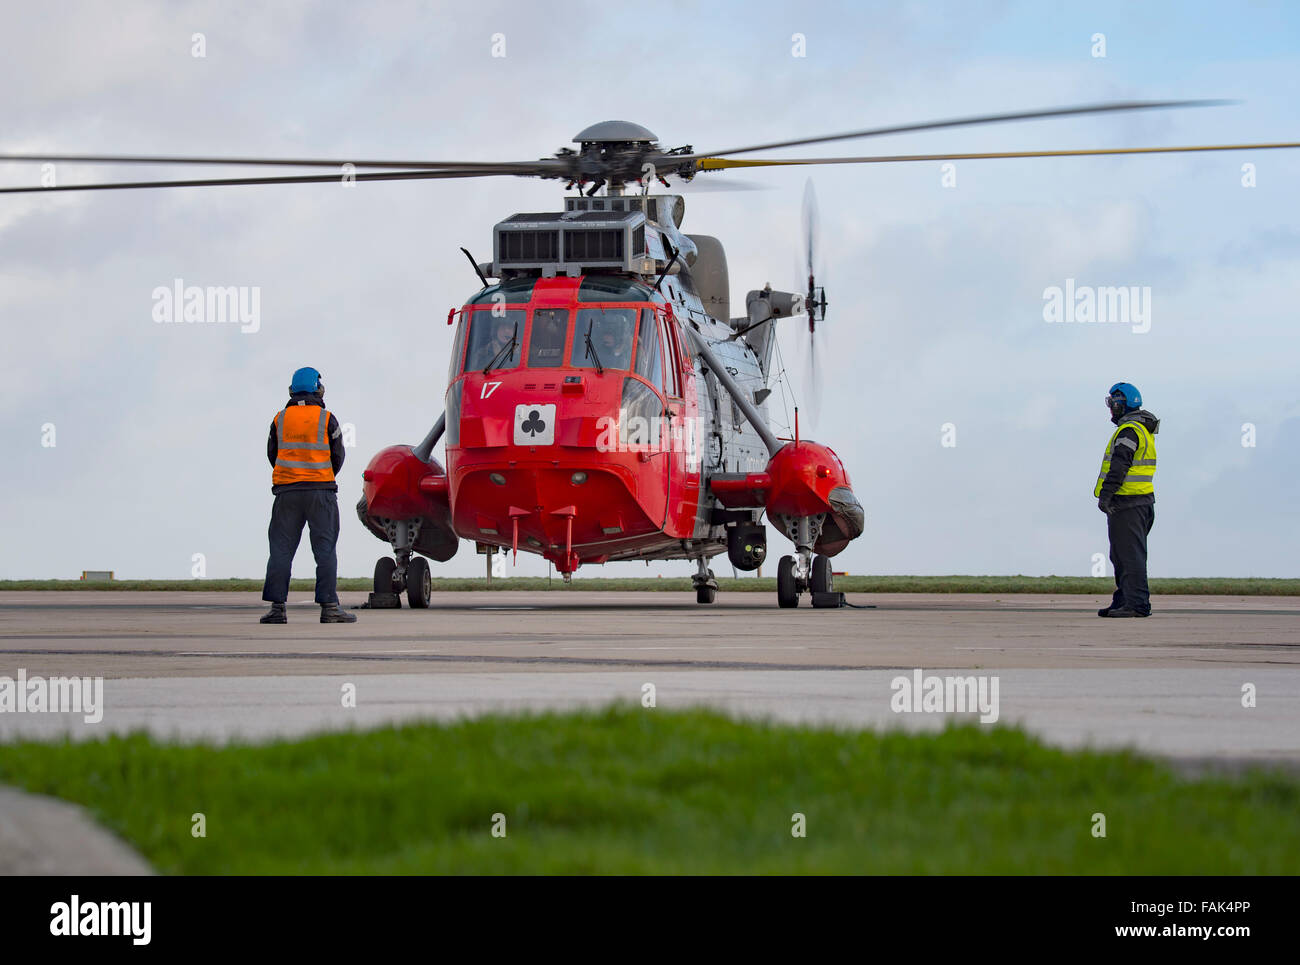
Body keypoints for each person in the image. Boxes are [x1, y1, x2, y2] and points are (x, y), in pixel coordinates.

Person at [260, 367, 356, 624]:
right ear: (319, 389)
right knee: (325, 549)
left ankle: (277, 609)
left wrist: (292, 475)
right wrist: (321, 475)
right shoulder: (327, 418)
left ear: (291, 391)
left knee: (280, 550)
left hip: (287, 492)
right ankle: (330, 608)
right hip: (320, 492)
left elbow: (273, 454)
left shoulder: (279, 419)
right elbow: (338, 456)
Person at [1094, 382, 1159, 618]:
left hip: (1129, 503)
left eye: (1115, 404)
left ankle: (1138, 605)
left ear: (1125, 404)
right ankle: (1123, 600)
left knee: (1130, 556)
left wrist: (1106, 494)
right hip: (1137, 503)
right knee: (1121, 555)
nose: (1111, 409)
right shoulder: (1139, 429)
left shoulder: (1130, 430)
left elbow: (1119, 465)